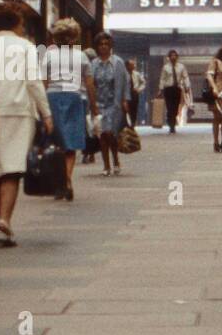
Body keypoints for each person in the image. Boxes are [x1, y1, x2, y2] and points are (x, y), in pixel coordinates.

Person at [0, 1, 53, 248]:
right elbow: (34, 82)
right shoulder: (26, 48)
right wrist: (46, 113)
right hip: (19, 112)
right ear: (16, 23)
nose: (23, 27)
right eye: (22, 23)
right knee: (12, 168)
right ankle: (4, 220)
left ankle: (2, 217)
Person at [43, 17, 98, 201]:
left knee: (56, 142)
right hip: (74, 97)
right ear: (74, 38)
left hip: (52, 97)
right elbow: (90, 85)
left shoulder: (48, 56)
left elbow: (43, 83)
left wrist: (41, 108)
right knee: (71, 143)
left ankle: (60, 182)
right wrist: (94, 107)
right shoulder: (81, 56)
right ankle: (66, 179)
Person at [91, 33, 130, 177]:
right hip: (99, 103)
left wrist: (125, 100)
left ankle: (116, 160)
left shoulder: (117, 62)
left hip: (114, 103)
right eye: (101, 44)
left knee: (111, 134)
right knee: (102, 134)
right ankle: (106, 165)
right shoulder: (94, 64)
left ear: (110, 46)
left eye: (106, 44)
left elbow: (125, 81)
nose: (103, 47)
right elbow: (90, 83)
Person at [157, 49, 191, 133]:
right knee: (169, 107)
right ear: (169, 57)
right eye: (172, 55)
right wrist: (160, 89)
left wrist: (187, 86)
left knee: (175, 108)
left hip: (177, 89)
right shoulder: (165, 67)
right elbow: (162, 79)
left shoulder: (181, 67)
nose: (173, 57)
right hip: (168, 89)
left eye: (175, 55)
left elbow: (185, 77)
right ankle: (171, 125)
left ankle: (172, 120)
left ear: (177, 57)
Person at [205, 45, 222, 152]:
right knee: (217, 118)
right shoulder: (215, 62)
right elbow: (209, 75)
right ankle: (216, 142)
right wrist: (214, 88)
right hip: (218, 93)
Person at [126, 59, 146, 125]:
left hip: (134, 93)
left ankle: (133, 124)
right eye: (131, 65)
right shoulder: (124, 74)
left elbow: (143, 82)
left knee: (134, 109)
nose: (133, 66)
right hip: (126, 94)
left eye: (133, 65)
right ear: (127, 66)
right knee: (126, 109)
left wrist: (139, 89)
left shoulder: (137, 74)